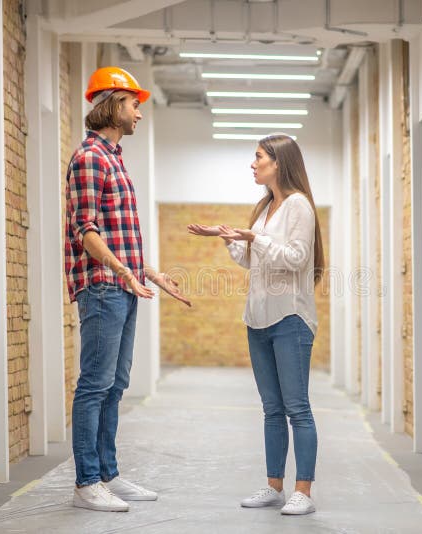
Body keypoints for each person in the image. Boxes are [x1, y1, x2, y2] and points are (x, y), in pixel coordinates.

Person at [65, 66, 190, 512]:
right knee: (95, 385)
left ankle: (108, 474)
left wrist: (151, 274)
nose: (139, 113)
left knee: (115, 383)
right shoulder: (89, 158)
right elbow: (87, 232)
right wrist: (122, 272)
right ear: (114, 104)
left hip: (122, 284)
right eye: (134, 104)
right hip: (102, 287)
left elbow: (119, 236)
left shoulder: (115, 158)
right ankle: (86, 483)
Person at [188, 134, 325, 516]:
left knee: (297, 408)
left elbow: (297, 259)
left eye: (259, 157)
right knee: (271, 408)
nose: (253, 163)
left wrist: (255, 238)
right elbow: (257, 259)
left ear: (278, 162)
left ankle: (304, 491)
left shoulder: (298, 206)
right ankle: (274, 486)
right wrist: (231, 239)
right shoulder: (266, 207)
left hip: (291, 319)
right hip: (259, 320)